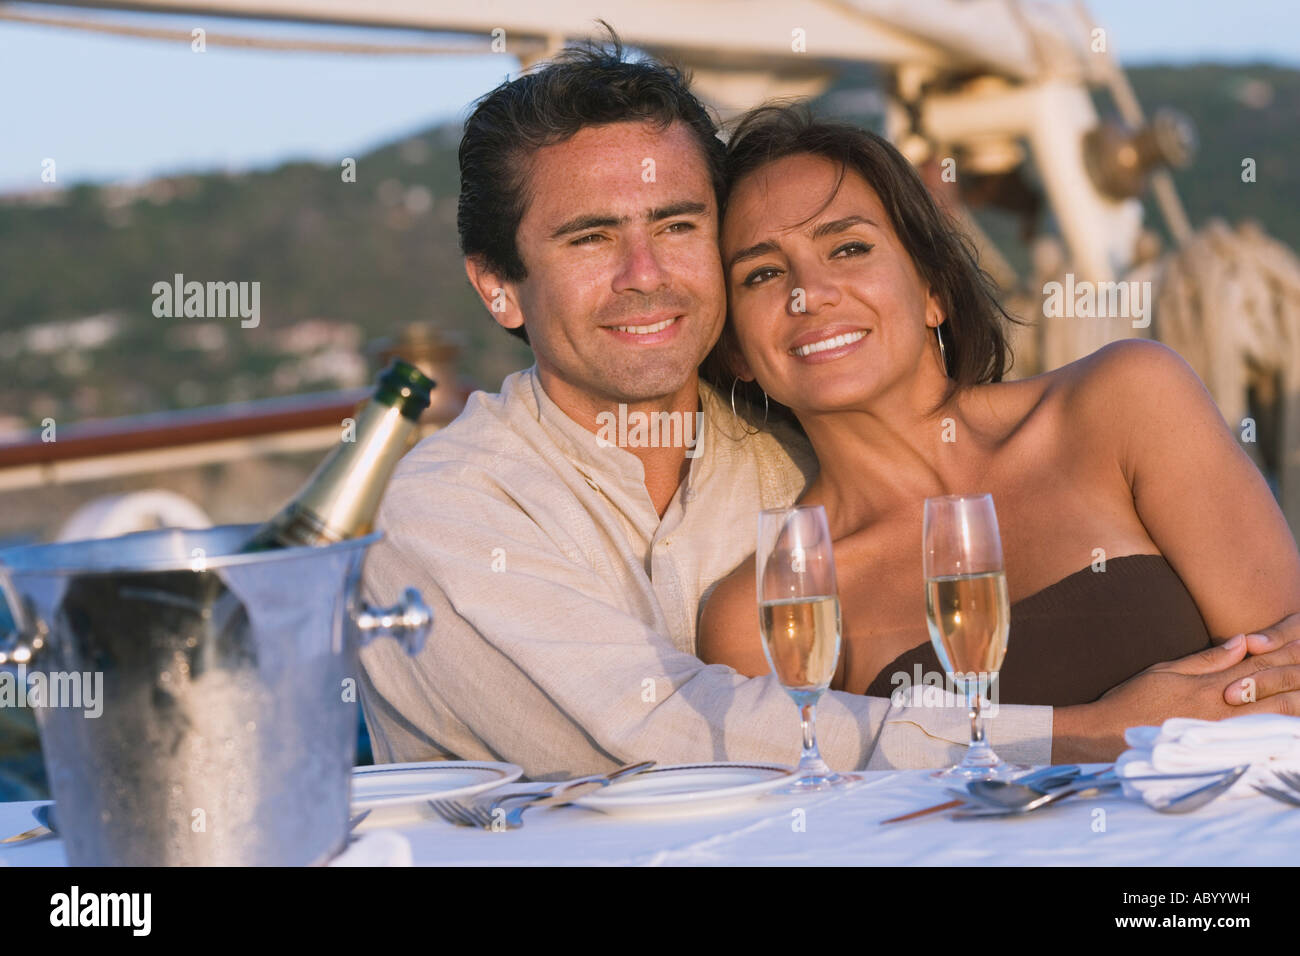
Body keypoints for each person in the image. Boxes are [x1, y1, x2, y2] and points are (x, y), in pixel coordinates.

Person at [358, 32, 1300, 779]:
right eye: (591, 238)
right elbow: (670, 736)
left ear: (933, 285)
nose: (645, 277)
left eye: (678, 227)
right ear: (499, 288)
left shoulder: (1112, 402)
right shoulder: (453, 512)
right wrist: (1093, 734)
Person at [698, 103, 1300, 759]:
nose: (808, 292)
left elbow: (1286, 678)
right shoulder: (772, 603)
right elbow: (821, 823)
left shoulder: (1126, 404)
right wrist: (1101, 731)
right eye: (761, 273)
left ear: (934, 289)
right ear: (734, 351)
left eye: (849, 248)